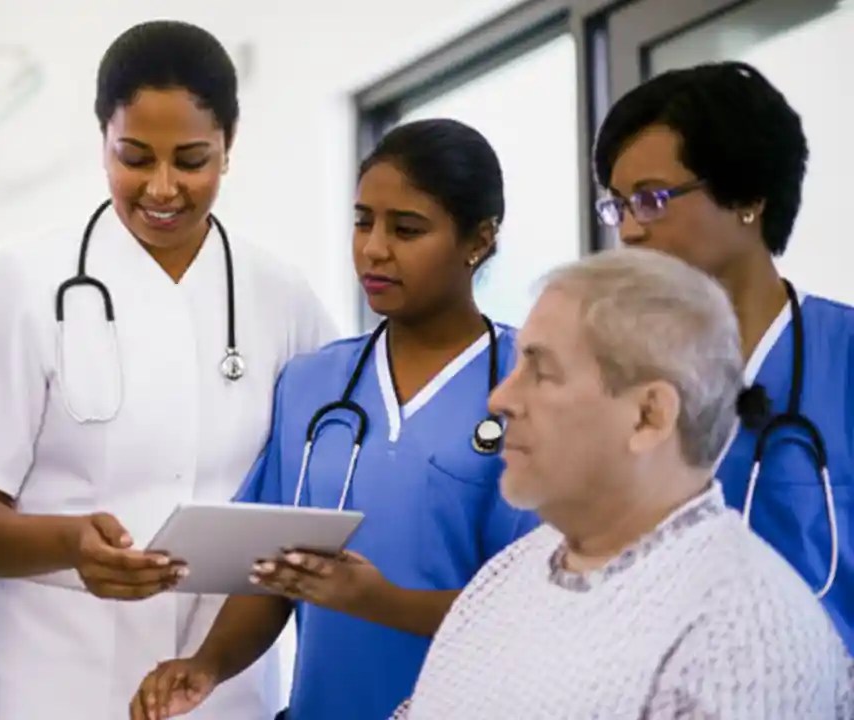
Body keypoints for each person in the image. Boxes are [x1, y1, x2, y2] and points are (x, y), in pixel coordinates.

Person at [0, 20, 334, 720]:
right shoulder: (30, 283)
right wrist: (67, 544)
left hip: (218, 688)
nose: (164, 188)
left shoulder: (282, 297)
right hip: (48, 680)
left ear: (229, 149)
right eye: (135, 158)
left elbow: (321, 481)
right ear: (103, 143)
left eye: (193, 159)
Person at [130, 118, 540, 720]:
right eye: (362, 221)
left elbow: (540, 610)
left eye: (406, 228)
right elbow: (274, 575)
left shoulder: (536, 388)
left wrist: (383, 602)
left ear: (478, 240)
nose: (374, 248)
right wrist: (208, 664)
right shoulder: (312, 386)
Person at [394, 248, 852, 719]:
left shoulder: (743, 635)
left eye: (541, 371)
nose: (500, 398)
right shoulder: (508, 574)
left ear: (648, 416)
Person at [593, 60, 854, 652]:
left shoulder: (845, 360)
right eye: (619, 206)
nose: (629, 230)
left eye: (653, 199)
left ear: (748, 197)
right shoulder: (615, 380)